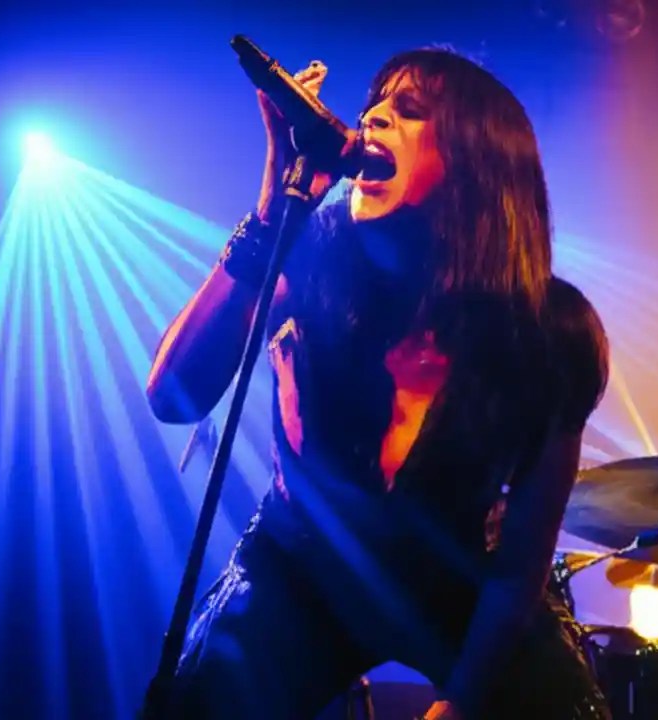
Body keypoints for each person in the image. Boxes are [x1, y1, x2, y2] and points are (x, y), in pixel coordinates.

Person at [144, 49, 612, 719]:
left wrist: (463, 703)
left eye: (409, 111)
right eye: (374, 106)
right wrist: (273, 215)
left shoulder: (549, 333)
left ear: (479, 162)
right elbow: (173, 395)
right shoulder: (316, 253)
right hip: (300, 567)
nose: (372, 119)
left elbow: (520, 566)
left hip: (459, 583)